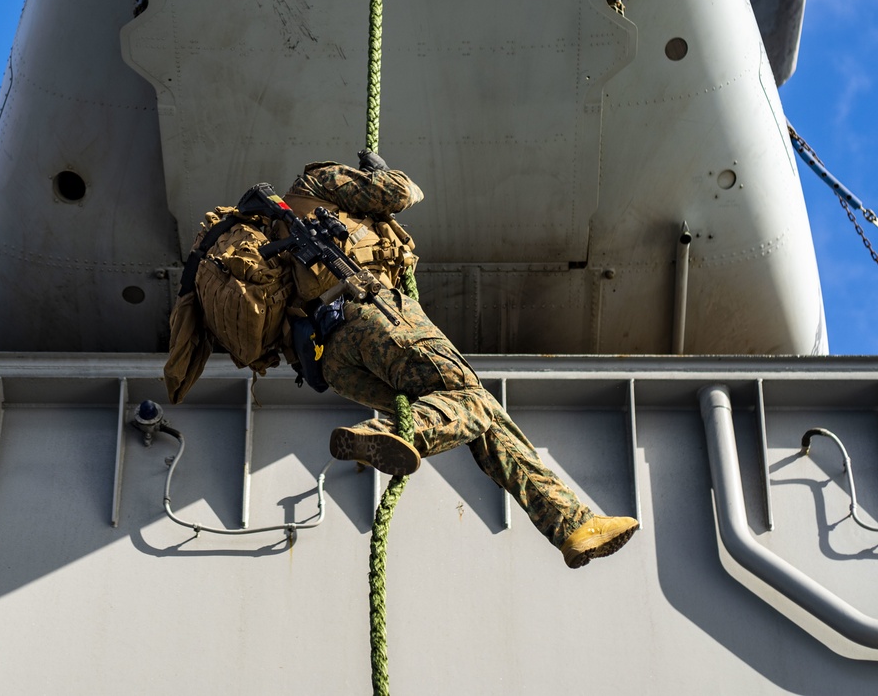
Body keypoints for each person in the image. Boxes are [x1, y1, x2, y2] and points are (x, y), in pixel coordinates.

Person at [169, 156, 638, 569]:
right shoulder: (316, 183)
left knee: (481, 416)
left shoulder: (267, 236)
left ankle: (571, 524)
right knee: (470, 395)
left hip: (330, 363)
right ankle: (396, 433)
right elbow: (402, 192)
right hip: (368, 312)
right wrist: (381, 174)